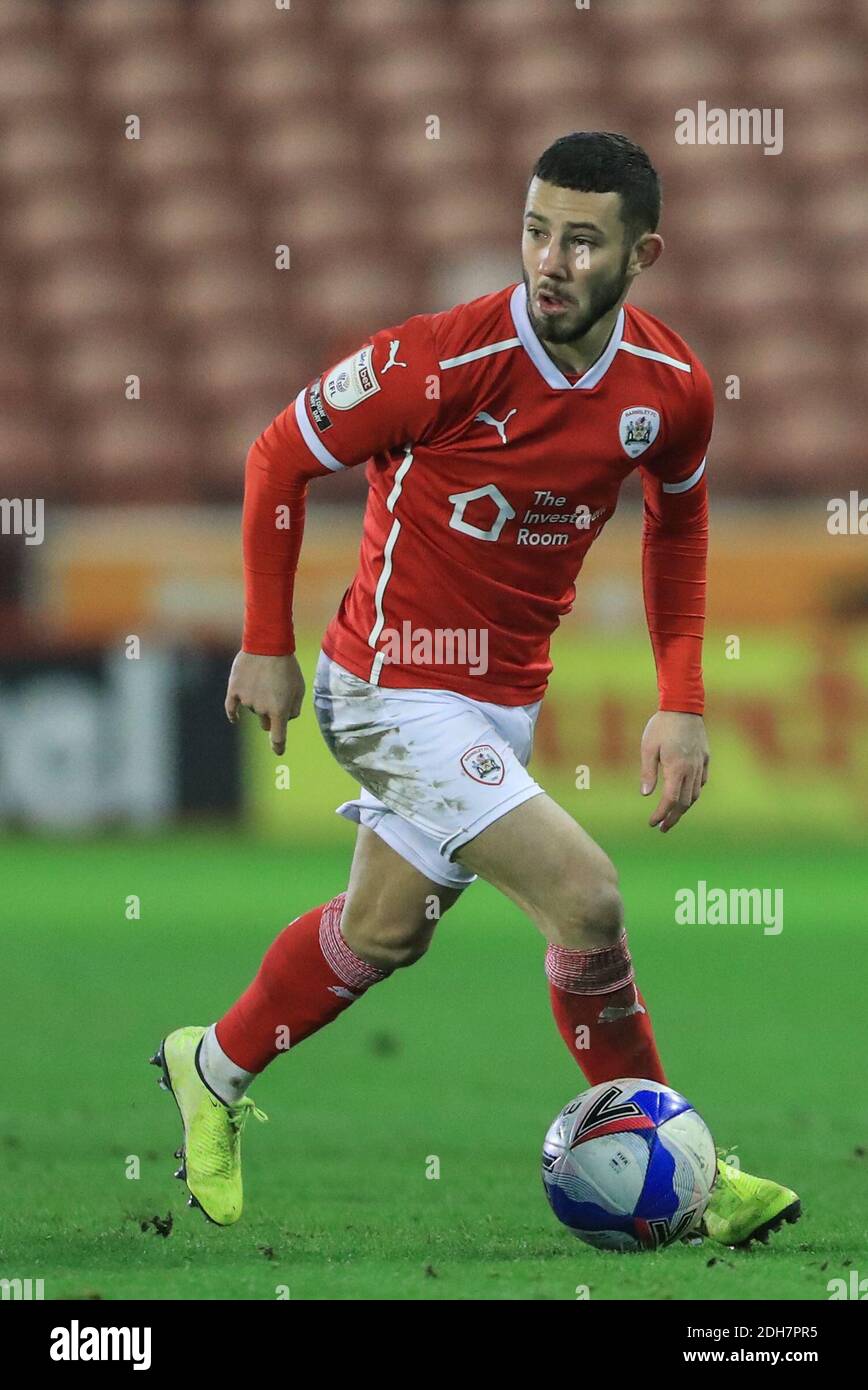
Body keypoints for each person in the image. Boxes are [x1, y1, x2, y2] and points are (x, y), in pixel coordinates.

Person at [152, 132, 799, 1247]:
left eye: (582, 240)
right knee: (587, 900)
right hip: (389, 684)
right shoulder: (437, 361)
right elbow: (276, 456)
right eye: (536, 231)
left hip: (501, 698)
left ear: (642, 252)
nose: (550, 259)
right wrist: (266, 640)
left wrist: (680, 697)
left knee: (384, 932)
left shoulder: (671, 389)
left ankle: (208, 1065)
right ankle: (692, 1173)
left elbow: (678, 527)